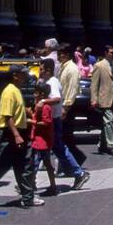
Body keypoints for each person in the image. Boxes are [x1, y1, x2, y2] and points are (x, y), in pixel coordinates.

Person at [0, 66, 41, 207]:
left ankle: (27, 197)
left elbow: (16, 110)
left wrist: (27, 113)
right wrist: (17, 135)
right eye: (23, 75)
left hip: (19, 132)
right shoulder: (9, 91)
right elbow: (7, 116)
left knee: (24, 165)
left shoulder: (16, 90)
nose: (25, 77)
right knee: (2, 166)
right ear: (15, 75)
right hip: (11, 134)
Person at [40, 55, 89, 187]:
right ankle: (78, 173)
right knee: (58, 149)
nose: (40, 72)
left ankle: (27, 181)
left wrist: (43, 101)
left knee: (41, 150)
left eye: (42, 69)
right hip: (53, 121)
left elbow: (57, 98)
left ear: (48, 70)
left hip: (52, 122)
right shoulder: (52, 80)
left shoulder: (52, 83)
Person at [90, 47, 113, 156]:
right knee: (109, 121)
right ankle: (112, 145)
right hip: (103, 98)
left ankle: (102, 145)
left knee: (106, 123)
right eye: (111, 52)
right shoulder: (99, 66)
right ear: (106, 53)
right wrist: (94, 99)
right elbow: (94, 84)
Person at [58, 44, 87, 169]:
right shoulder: (63, 67)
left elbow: (72, 89)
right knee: (65, 137)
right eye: (58, 53)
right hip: (62, 105)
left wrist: (66, 107)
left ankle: (76, 159)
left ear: (67, 54)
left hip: (68, 106)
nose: (59, 56)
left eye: (61, 53)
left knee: (65, 137)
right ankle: (71, 162)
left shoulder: (72, 69)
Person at [30, 80, 58, 194]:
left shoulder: (45, 107)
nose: (34, 95)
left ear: (42, 94)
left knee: (35, 163)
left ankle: (32, 184)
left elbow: (46, 122)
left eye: (36, 93)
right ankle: (51, 185)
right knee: (45, 163)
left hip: (42, 140)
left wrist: (31, 121)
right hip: (39, 139)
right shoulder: (39, 106)